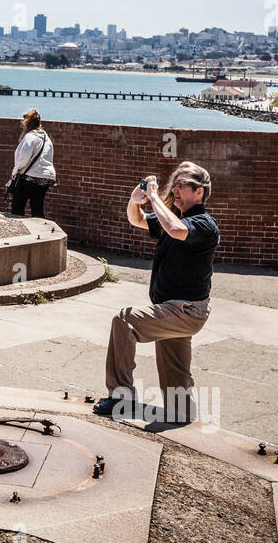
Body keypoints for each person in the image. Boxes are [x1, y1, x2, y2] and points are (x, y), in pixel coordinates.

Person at [93, 161, 218, 424]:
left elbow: (175, 230)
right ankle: (182, 415)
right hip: (172, 308)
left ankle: (121, 397)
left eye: (183, 186)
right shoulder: (172, 218)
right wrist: (135, 200)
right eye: (175, 185)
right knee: (175, 370)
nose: (175, 190)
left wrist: (153, 196)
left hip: (185, 310)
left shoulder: (205, 225)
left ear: (200, 192)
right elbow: (136, 219)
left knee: (124, 320)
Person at [8, 109, 56, 217]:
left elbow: (24, 158)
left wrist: (15, 171)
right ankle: (40, 231)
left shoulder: (30, 137)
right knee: (37, 207)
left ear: (27, 124)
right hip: (46, 177)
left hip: (30, 177)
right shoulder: (46, 138)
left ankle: (17, 229)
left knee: (17, 206)